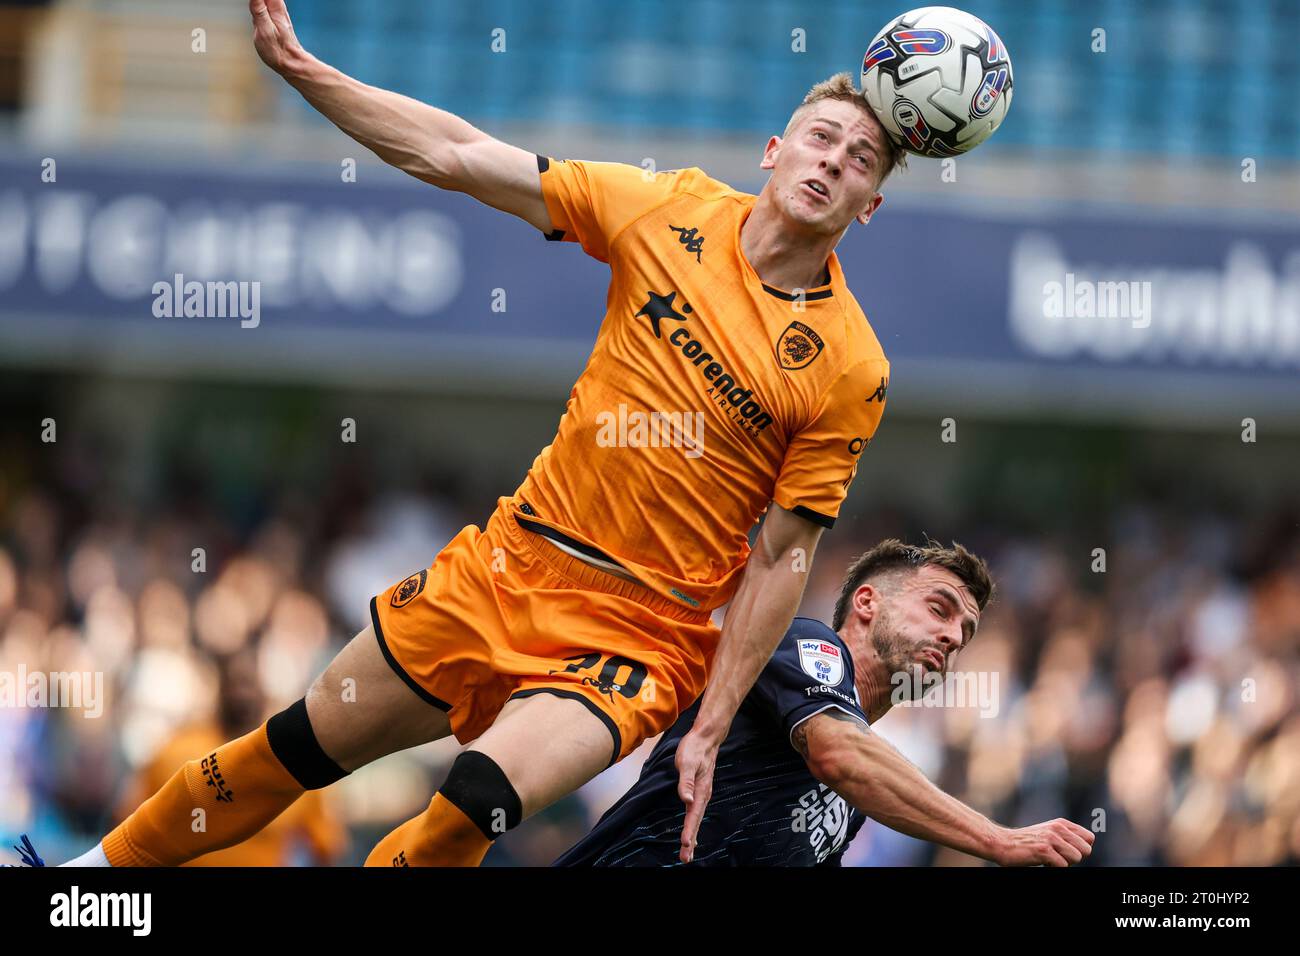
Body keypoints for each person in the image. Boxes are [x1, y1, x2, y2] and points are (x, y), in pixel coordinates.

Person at [59, 0, 906, 868]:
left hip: (643, 636)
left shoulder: (850, 365)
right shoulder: (666, 210)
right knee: (299, 748)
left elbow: (782, 556)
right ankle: (81, 882)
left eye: (858, 159)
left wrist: (711, 726)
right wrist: (307, 73)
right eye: (820, 137)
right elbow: (460, 153)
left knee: (476, 803)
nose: (832, 162)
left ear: (869, 204)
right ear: (776, 149)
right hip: (511, 562)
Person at [557, 540, 1095, 867]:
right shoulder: (801, 643)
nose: (954, 636)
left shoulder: (858, 797)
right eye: (939, 608)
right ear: (867, 602)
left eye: (966, 631)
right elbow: (838, 752)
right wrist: (997, 839)